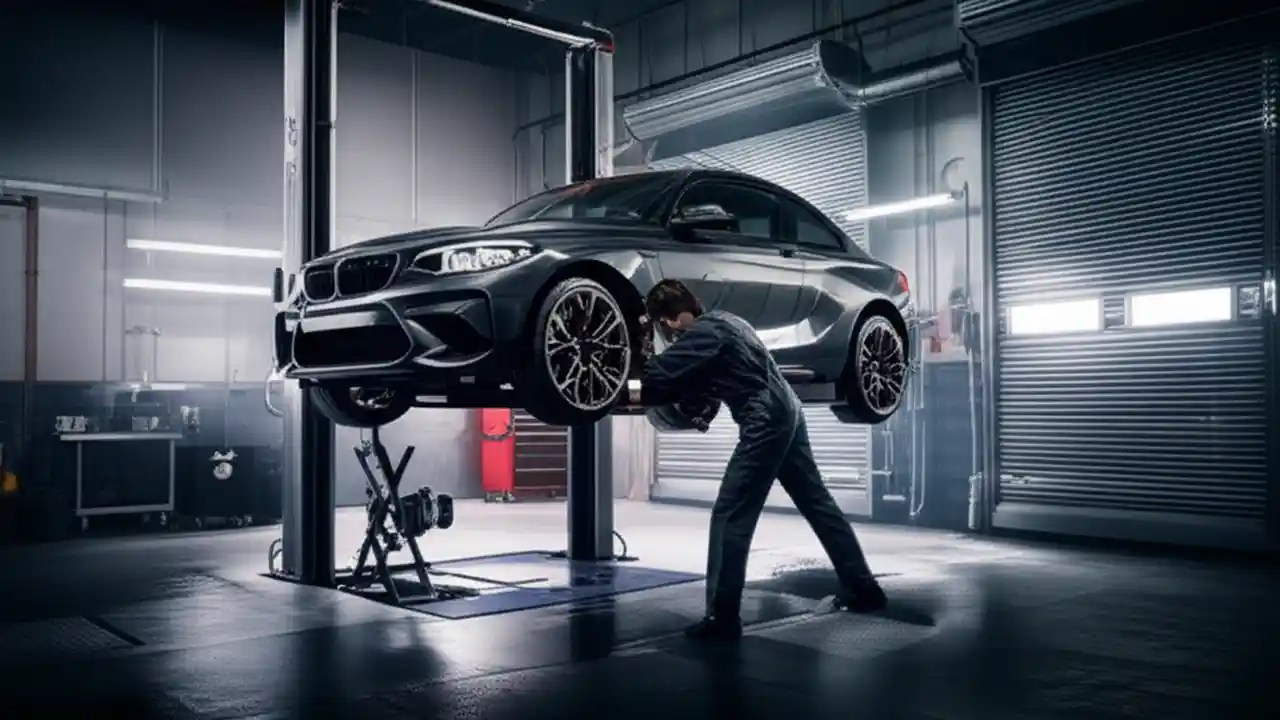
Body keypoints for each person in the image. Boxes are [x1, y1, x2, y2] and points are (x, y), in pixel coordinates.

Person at [640, 279, 887, 641]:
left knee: (731, 512)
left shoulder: (703, 334)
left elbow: (659, 375)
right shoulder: (729, 320)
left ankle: (722, 618)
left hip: (765, 417)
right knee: (818, 502)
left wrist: (640, 354)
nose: (670, 335)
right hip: (789, 409)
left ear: (674, 318)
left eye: (664, 326)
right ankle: (863, 587)